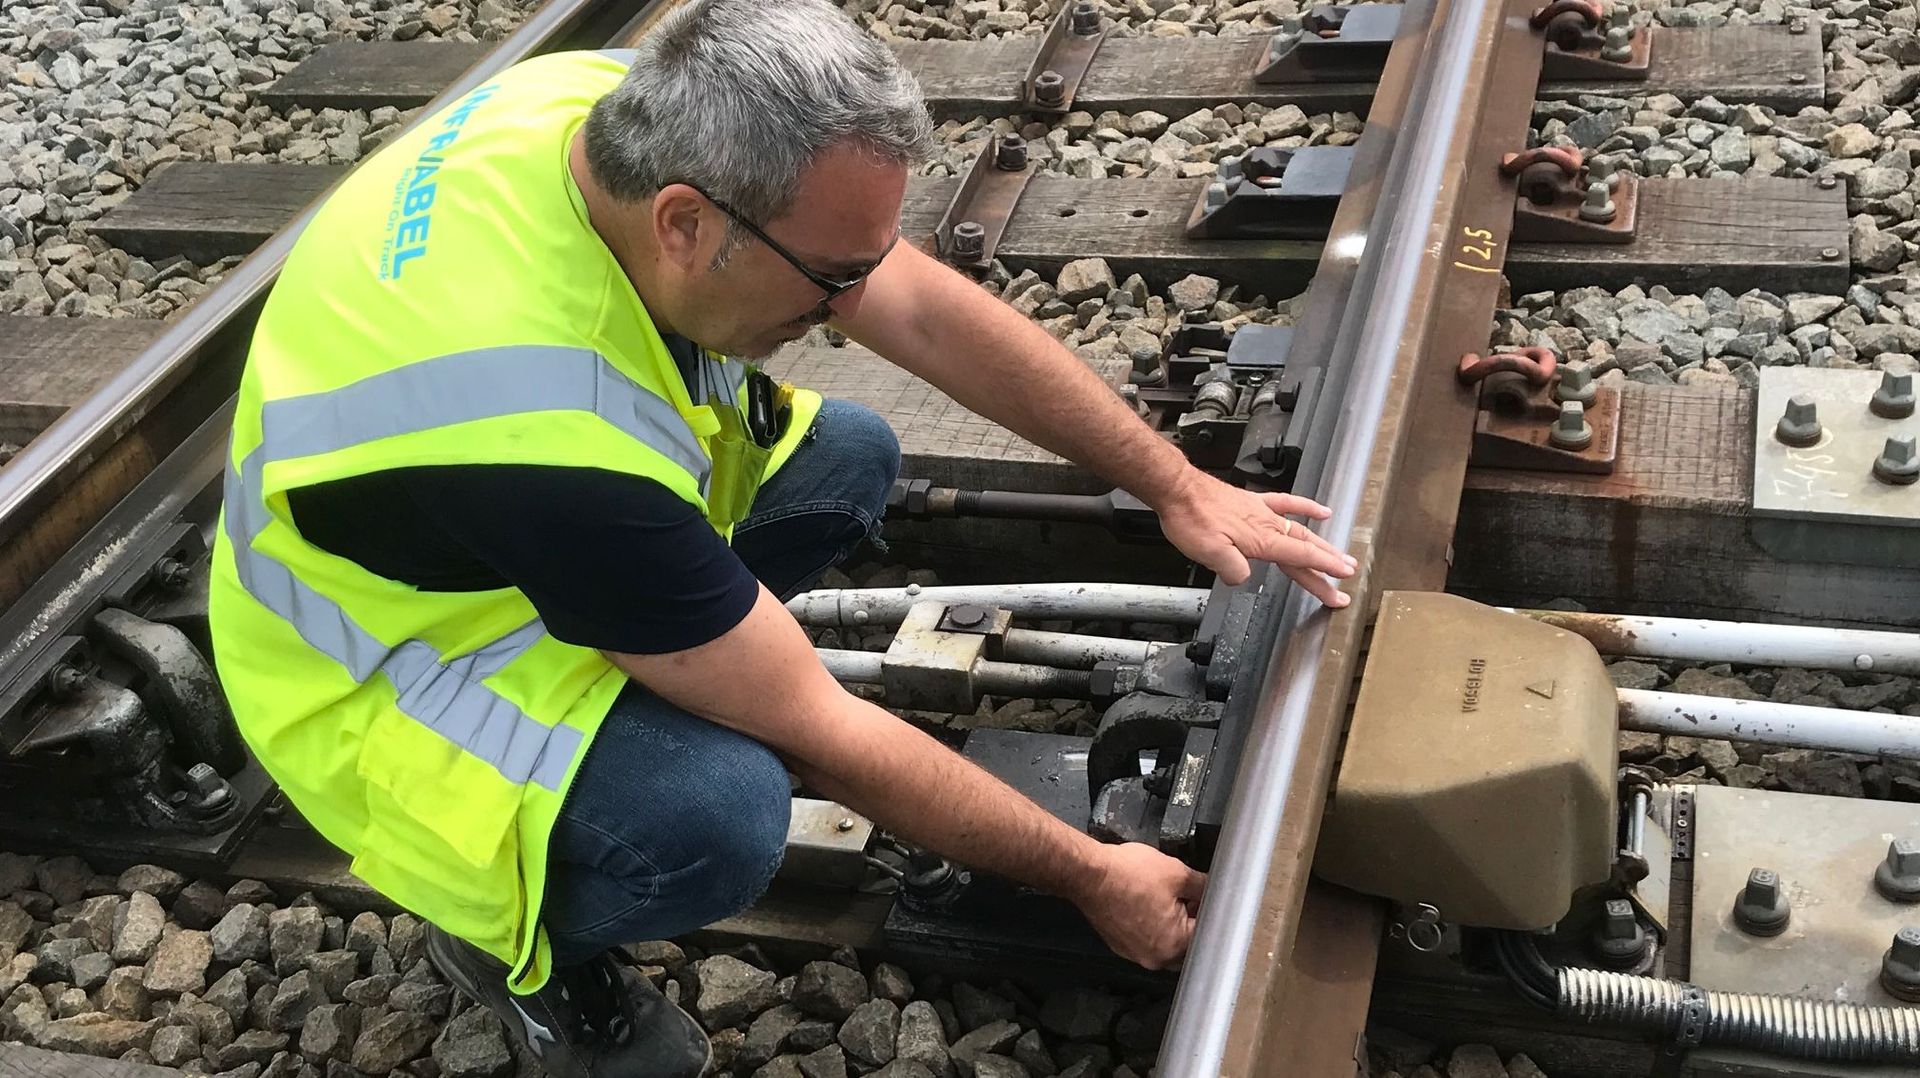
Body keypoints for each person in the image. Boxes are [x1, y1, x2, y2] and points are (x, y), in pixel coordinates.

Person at [205, 0, 1357, 1074]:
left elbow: (909, 300)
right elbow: (824, 734)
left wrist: (1174, 483)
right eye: (825, 282)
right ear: (686, 224)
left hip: (499, 540)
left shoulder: (604, 114)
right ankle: (517, 941)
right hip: (396, 664)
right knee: (719, 816)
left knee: (846, 453)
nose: (843, 310)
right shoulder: (538, 441)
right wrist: (1093, 873)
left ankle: (677, 647)